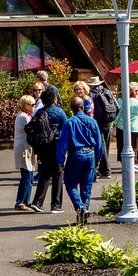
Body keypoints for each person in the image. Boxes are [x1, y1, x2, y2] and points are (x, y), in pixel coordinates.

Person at [57, 96, 106, 225]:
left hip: (76, 154)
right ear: (83, 107)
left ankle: (81, 208)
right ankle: (83, 213)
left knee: (71, 184)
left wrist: (60, 161)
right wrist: (98, 158)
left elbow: (63, 144)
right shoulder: (92, 121)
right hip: (90, 154)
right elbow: (99, 142)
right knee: (86, 187)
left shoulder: (69, 122)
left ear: (71, 108)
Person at [28, 88, 67, 213]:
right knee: (58, 174)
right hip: (56, 144)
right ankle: (56, 205)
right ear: (54, 99)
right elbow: (66, 128)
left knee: (44, 173)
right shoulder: (59, 112)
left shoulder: (39, 112)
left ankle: (37, 202)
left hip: (43, 146)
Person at [89, 76, 119, 178]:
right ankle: (103, 169)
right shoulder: (107, 91)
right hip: (108, 122)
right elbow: (117, 107)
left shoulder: (92, 94)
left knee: (101, 146)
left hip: (98, 122)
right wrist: (112, 119)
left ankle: (106, 170)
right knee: (106, 145)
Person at [12, 94, 38, 210]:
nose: (34, 106)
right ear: (25, 105)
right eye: (31, 104)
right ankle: (20, 201)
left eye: (34, 104)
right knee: (26, 175)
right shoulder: (24, 117)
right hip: (23, 148)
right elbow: (31, 131)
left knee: (30, 175)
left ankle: (26, 200)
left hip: (27, 147)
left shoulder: (26, 115)